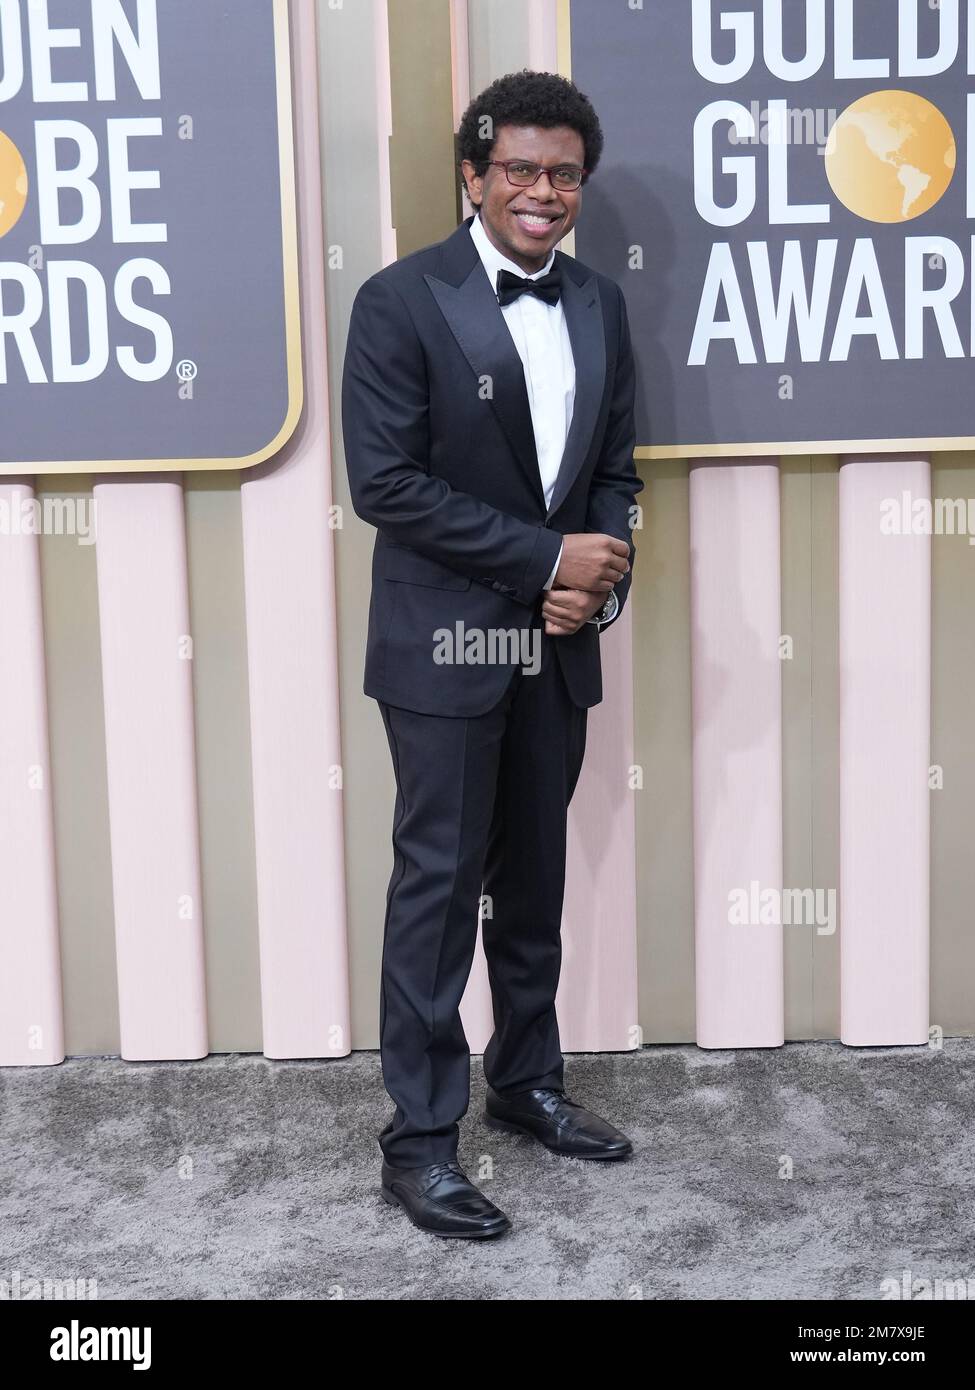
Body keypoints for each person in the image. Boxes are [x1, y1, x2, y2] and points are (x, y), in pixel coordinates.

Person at [341, 69, 643, 1239]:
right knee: (438, 889)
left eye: (564, 173)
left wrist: (598, 578)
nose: (542, 190)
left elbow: (616, 474)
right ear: (472, 175)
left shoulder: (602, 305)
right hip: (443, 642)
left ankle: (526, 1086)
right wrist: (545, 562)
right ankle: (419, 1141)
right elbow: (388, 484)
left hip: (555, 646)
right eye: (518, 167)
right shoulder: (400, 299)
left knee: (535, 885)